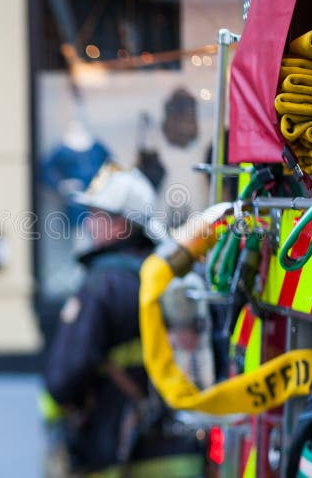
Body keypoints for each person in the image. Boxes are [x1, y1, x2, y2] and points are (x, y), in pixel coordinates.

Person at [44, 163, 205, 478]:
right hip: (183, 454)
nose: (89, 224)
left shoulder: (101, 285)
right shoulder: (175, 277)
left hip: (117, 456)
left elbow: (64, 379)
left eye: (96, 215)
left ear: (120, 225)